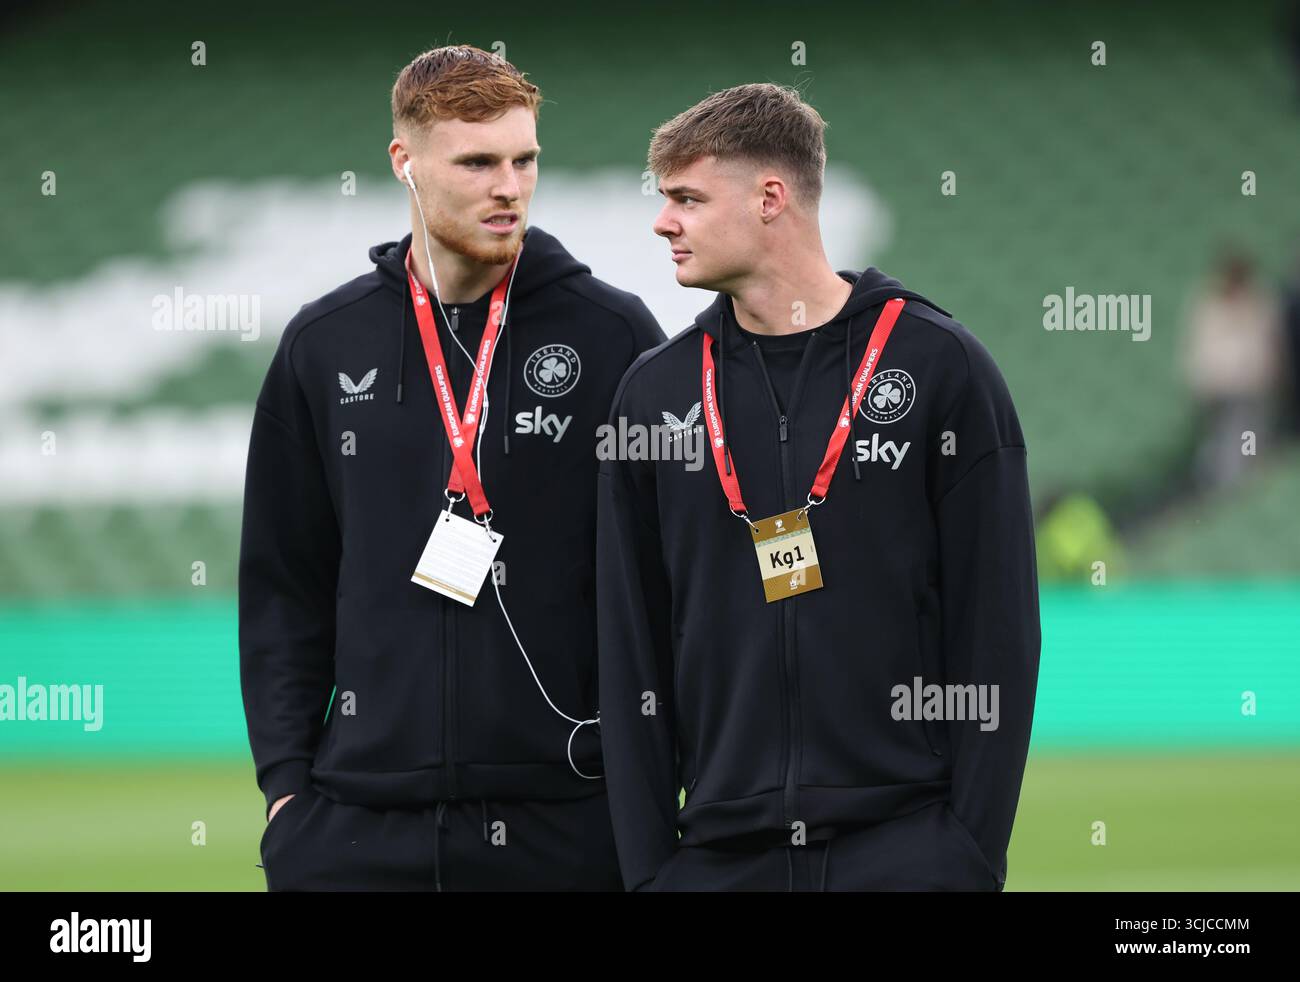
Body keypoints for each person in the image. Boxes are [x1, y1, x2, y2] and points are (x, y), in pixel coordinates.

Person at [240, 45, 664, 891]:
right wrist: (287, 792)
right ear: (405, 162)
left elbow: (671, 583)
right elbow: (285, 582)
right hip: (358, 828)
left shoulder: (615, 336)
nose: (508, 186)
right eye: (477, 162)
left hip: (568, 824)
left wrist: (646, 790)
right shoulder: (324, 345)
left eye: (524, 159)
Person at [596, 83, 1041, 892]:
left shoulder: (939, 365)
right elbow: (631, 654)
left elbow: (997, 628)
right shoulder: (653, 395)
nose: (664, 221)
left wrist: (965, 853)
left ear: (771, 198)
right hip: (717, 860)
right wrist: (654, 874)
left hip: (906, 849)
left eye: (688, 199)